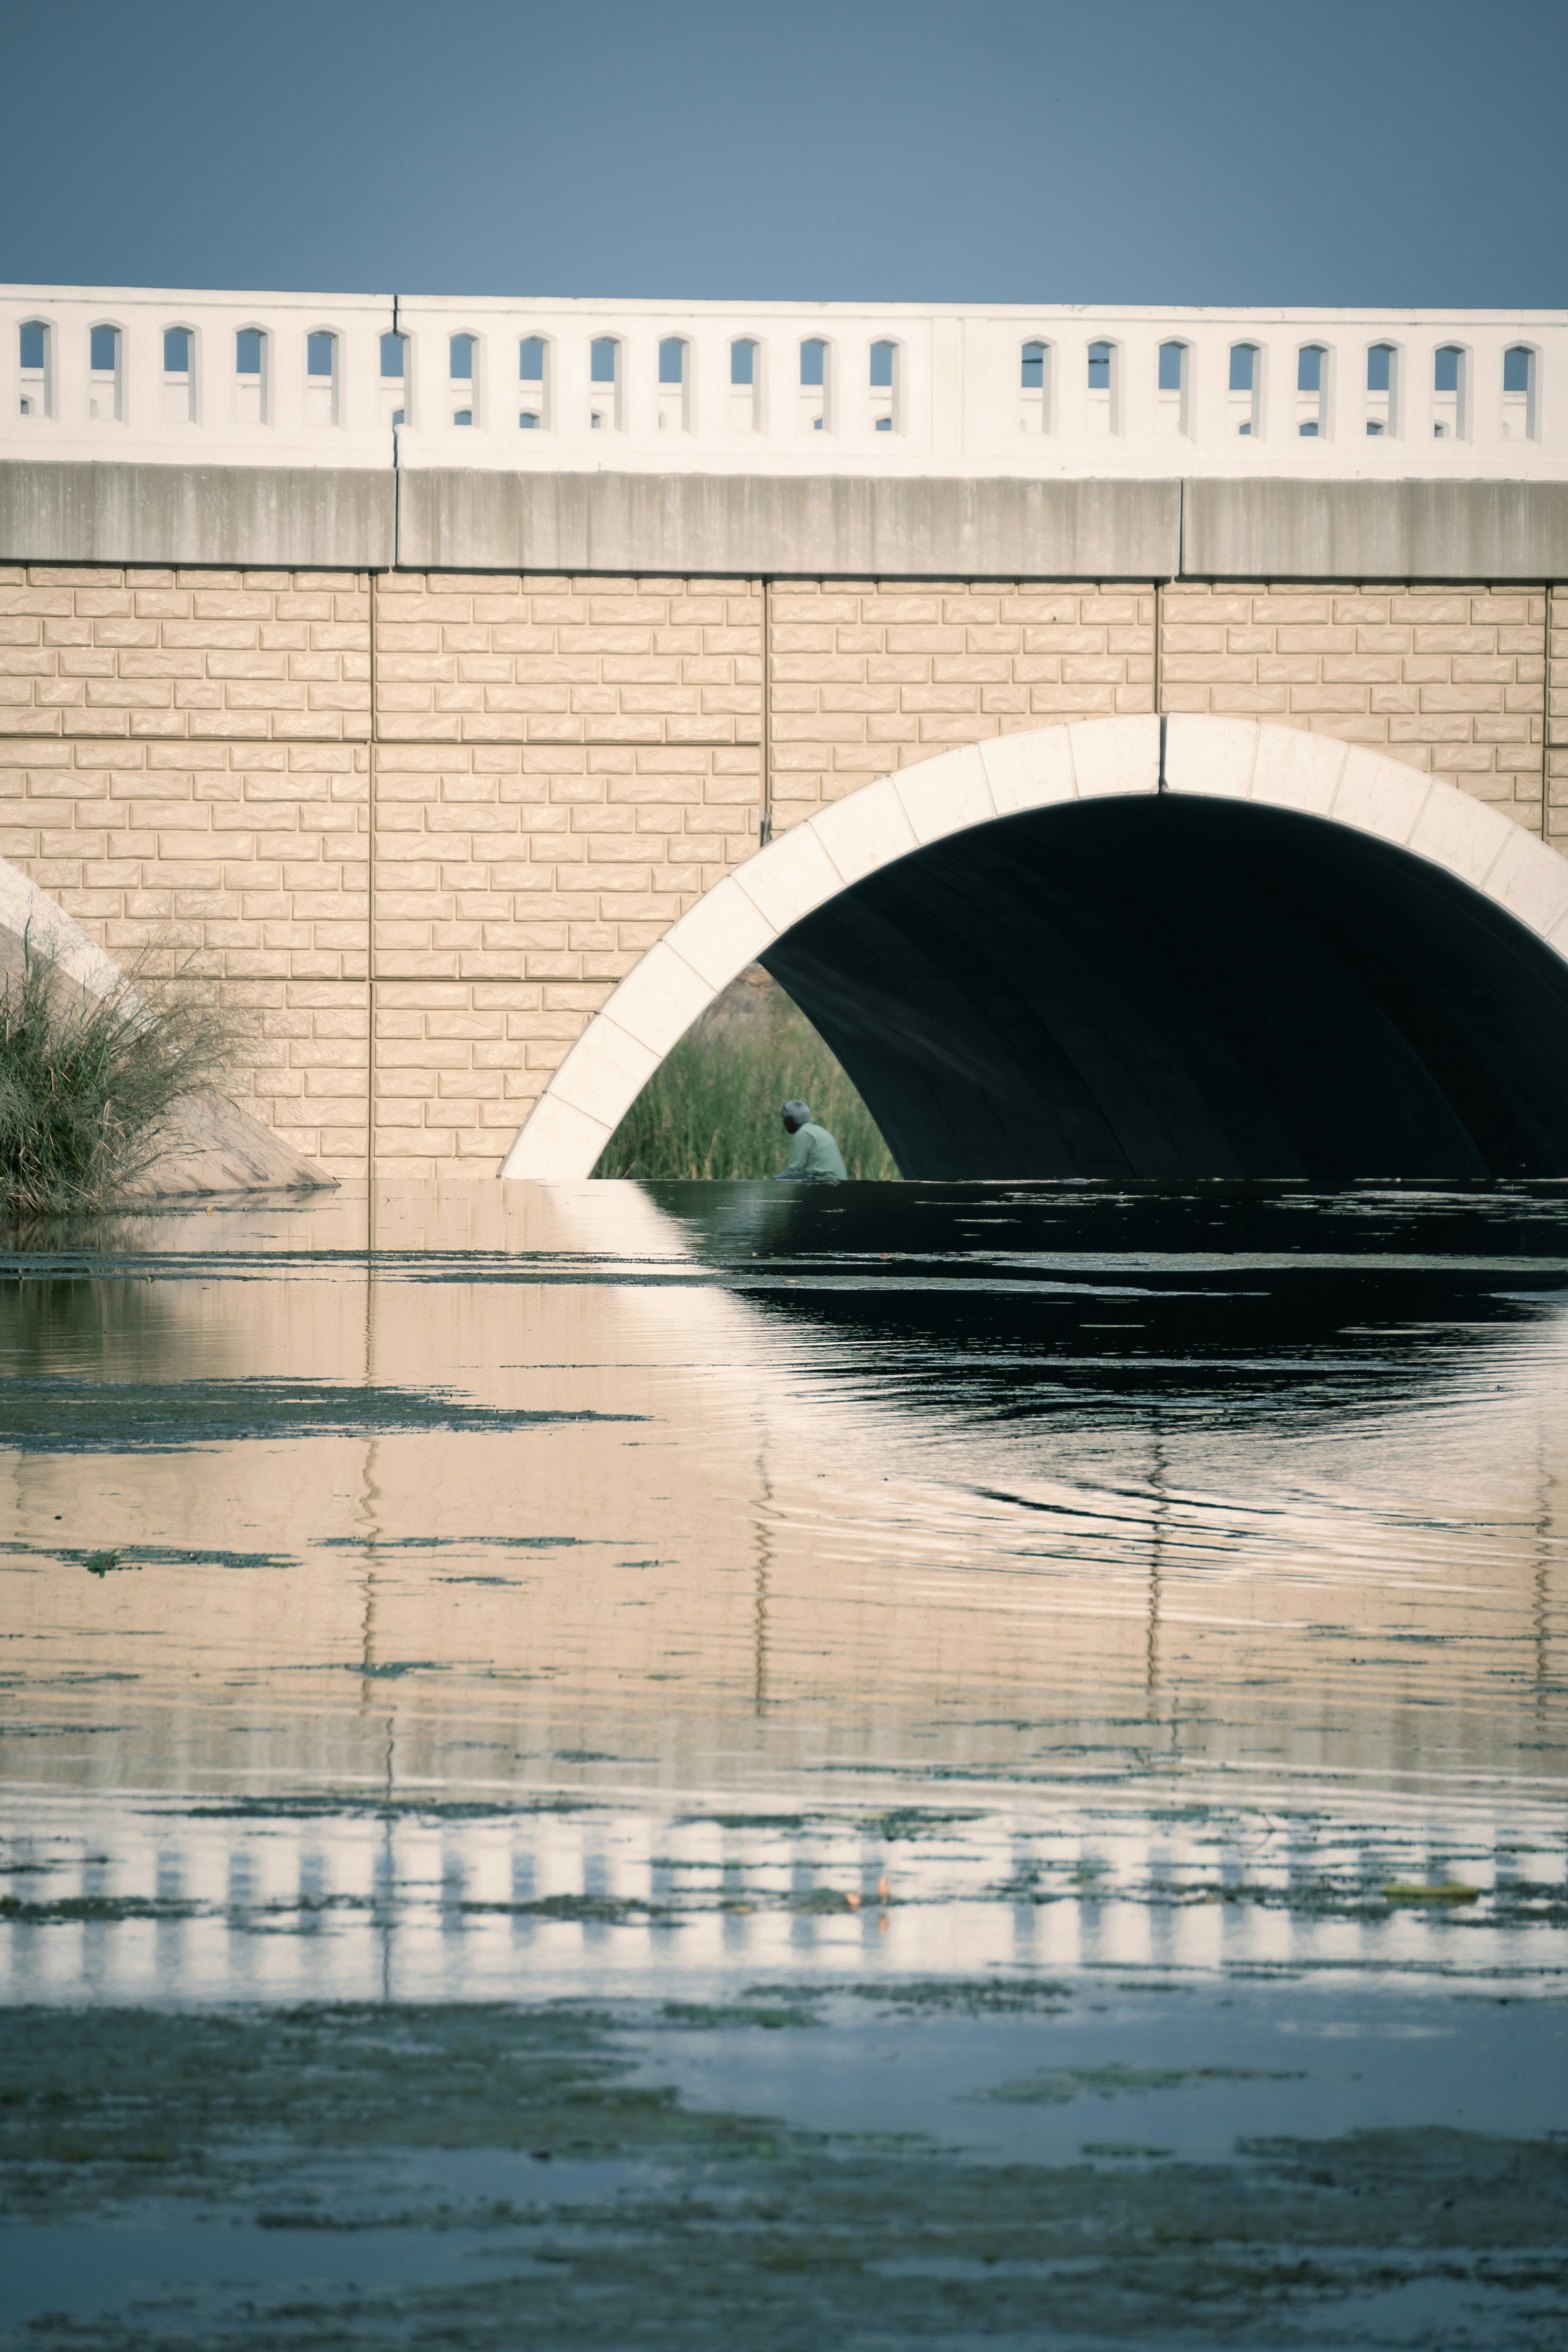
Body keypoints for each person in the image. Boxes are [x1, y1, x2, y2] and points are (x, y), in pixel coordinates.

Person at [775, 1099, 847, 1182]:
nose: (784, 1123)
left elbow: (794, 1171)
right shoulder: (816, 1130)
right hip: (840, 1182)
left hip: (827, 1184)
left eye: (784, 1119)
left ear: (790, 1120)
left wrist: (771, 1181)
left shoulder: (803, 1134)